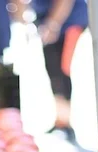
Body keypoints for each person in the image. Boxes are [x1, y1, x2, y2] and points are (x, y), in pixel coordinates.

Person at [34, 0, 87, 142]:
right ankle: (60, 120)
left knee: (61, 72)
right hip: (53, 23)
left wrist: (53, 24)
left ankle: (66, 122)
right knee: (54, 73)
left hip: (65, 24)